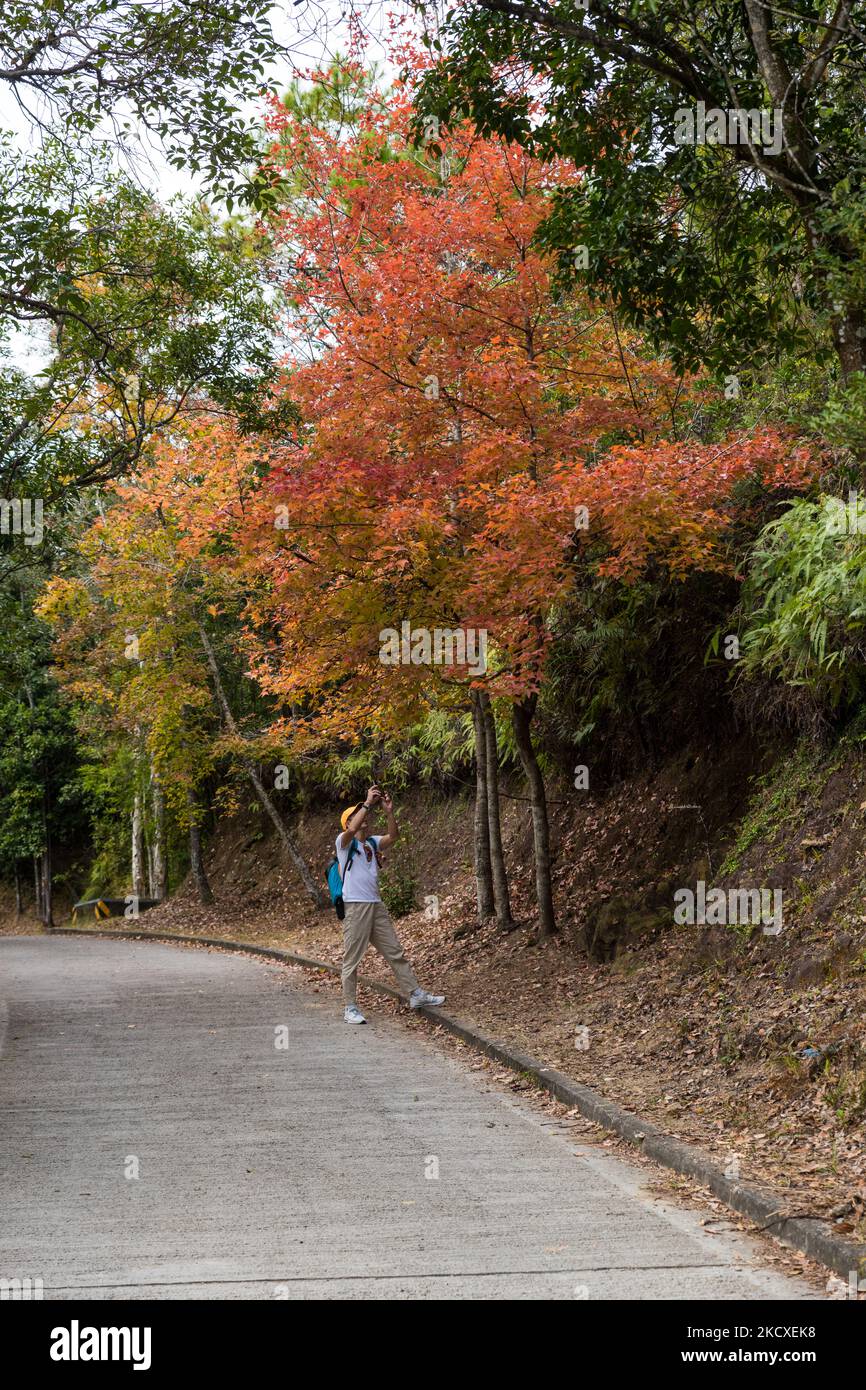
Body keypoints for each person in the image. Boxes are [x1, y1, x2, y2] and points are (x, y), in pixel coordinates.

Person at [336, 786, 445, 1024]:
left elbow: (393, 836)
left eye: (360, 812)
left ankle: (415, 994)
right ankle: (350, 1008)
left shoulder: (372, 844)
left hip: (376, 905)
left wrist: (388, 812)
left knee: (395, 952)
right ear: (348, 823)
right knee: (352, 959)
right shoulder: (344, 844)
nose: (361, 817)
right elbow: (353, 828)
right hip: (356, 907)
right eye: (354, 815)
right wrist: (366, 802)